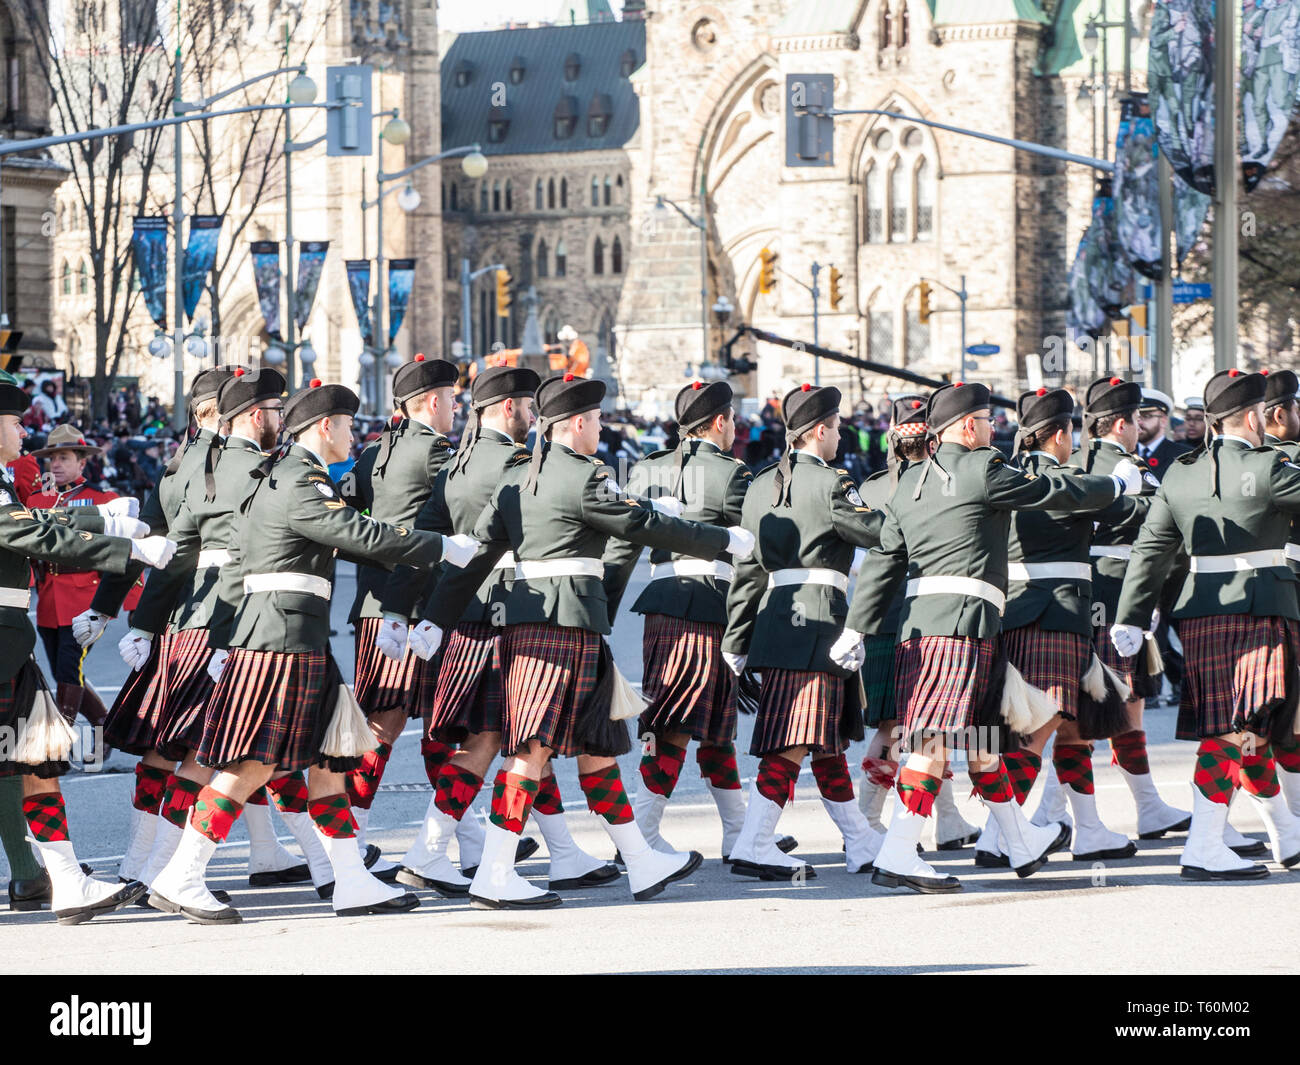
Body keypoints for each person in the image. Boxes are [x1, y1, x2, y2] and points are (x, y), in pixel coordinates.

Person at [145, 379, 477, 925]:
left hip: (294, 637)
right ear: (326, 426)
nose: (353, 436)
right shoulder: (301, 478)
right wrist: (441, 545)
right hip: (282, 641)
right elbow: (359, 534)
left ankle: (348, 879)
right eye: (347, 425)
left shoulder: (282, 474)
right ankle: (181, 874)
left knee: (327, 763)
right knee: (253, 762)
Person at [417, 372, 753, 909]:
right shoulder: (583, 477)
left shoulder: (519, 479)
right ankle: (497, 871)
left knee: (598, 747)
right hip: (563, 629)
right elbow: (642, 528)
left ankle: (641, 861)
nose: (600, 429)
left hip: (546, 626)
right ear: (577, 423)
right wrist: (720, 537)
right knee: (529, 751)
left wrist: (436, 616)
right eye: (595, 420)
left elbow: (473, 554)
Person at [832, 381, 1145, 893]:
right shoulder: (980, 468)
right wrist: (1114, 487)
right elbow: (1052, 491)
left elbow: (886, 560)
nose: (992, 428)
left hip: (929, 626)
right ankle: (898, 852)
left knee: (983, 744)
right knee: (932, 744)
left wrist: (855, 628)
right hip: (961, 626)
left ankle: (1018, 841)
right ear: (964, 427)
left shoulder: (909, 481)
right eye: (985, 420)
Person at [382, 365, 610, 894]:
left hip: (465, 617)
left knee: (522, 741)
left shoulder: (457, 464)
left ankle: (563, 852)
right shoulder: (519, 463)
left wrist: (401, 610)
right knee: (512, 740)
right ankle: (432, 850)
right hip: (512, 616)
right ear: (509, 408)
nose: (533, 417)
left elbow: (423, 541)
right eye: (530, 408)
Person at [111, 368, 329, 902]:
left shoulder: (179, 466)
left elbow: (172, 551)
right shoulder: (254, 468)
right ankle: (159, 867)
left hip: (190, 616)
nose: (278, 418)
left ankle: (282, 855)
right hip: (236, 617)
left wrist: (140, 620)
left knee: (210, 748)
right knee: (235, 749)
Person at [0, 378, 177, 923]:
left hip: (9, 642)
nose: (23, 430)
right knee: (30, 762)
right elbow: (36, 537)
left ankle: (66, 881)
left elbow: (44, 520)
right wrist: (127, 544)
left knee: (35, 764)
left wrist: (107, 519)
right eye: (14, 421)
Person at [1113, 368, 1300, 879]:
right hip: (1260, 609)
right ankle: (1203, 844)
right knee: (1236, 729)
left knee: (1247, 729)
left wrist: (1130, 614)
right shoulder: (1270, 466)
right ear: (1253, 416)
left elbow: (1153, 548)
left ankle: (1285, 830)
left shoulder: (1181, 471)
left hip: (1200, 616)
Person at [602, 380, 784, 865]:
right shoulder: (732, 473)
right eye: (732, 421)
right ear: (720, 421)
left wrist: (600, 611)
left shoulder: (646, 469)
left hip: (662, 603)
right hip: (711, 605)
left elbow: (621, 549)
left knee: (713, 721)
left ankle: (738, 829)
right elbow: (753, 554)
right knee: (676, 721)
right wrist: (752, 618)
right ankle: (640, 832)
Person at [977, 386, 1154, 868]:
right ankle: (1000, 835)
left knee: (1076, 727)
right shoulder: (1060, 478)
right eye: (1070, 431)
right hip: (1052, 615)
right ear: (1059, 434)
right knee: (1040, 725)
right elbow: (1121, 508)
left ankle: (1090, 829)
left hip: (1031, 614)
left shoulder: (1007, 476)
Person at [721, 383, 887, 880]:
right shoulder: (833, 482)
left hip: (775, 619)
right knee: (793, 739)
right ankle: (754, 842)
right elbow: (878, 532)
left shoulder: (759, 485)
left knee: (824, 740)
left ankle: (858, 839)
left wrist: (735, 640)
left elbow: (747, 570)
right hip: (819, 620)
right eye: (836, 428)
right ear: (819, 431)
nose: (840, 437)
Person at [1027, 376, 1191, 842]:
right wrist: (1157, 601)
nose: (1140, 427)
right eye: (1137, 419)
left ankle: (1138, 807)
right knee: (1104, 712)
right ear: (1122, 423)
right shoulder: (1132, 469)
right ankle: (1046, 816)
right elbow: (1164, 539)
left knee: (1099, 713)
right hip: (1121, 596)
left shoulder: (1073, 463)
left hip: (1077, 599)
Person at [340, 354, 466, 879]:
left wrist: (378, 561)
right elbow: (459, 509)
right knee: (410, 723)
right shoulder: (436, 451)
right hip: (418, 604)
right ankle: (349, 837)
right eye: (453, 398)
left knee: (401, 720)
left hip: (375, 601)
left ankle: (468, 838)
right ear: (431, 402)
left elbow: (347, 516)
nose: (457, 407)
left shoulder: (373, 451)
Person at [855, 394, 979, 851]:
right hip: (922, 616)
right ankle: (867, 823)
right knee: (907, 726)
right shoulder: (946, 483)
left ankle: (947, 820)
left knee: (924, 726)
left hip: (886, 618)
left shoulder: (869, 488)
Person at [27, 424, 143, 738]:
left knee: (68, 666)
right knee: (61, 670)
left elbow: (126, 555)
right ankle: (105, 726)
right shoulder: (38, 501)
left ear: (82, 462)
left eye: (64, 458)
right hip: (49, 596)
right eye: (52, 459)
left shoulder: (103, 500)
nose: (57, 465)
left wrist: (134, 606)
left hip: (85, 598)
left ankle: (60, 742)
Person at [1135, 388, 1190, 479]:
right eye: (1137, 417)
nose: (1139, 422)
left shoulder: (1184, 456)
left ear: (1163, 421)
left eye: (1147, 416)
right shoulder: (1125, 453)